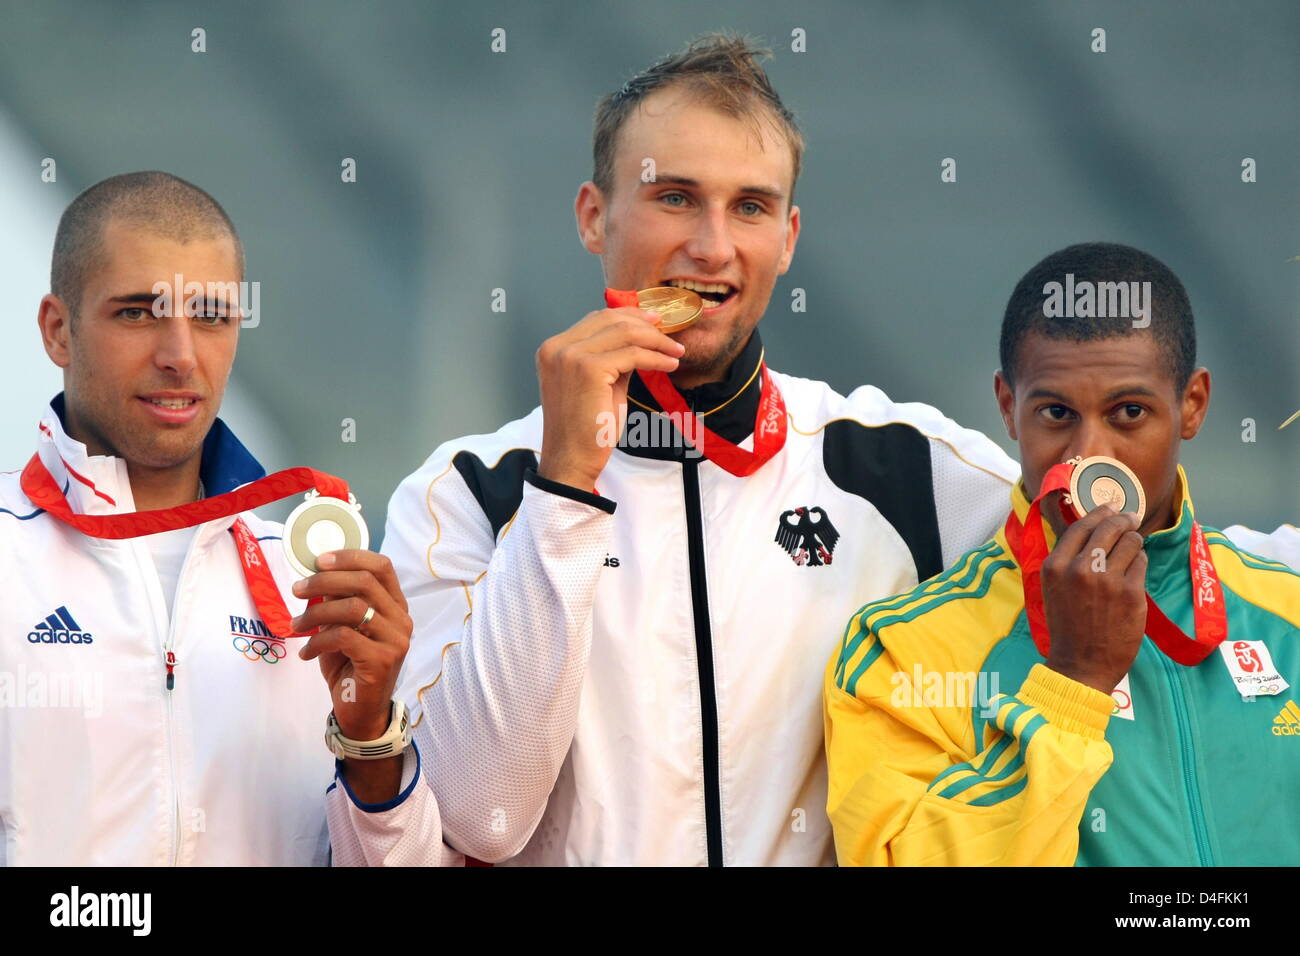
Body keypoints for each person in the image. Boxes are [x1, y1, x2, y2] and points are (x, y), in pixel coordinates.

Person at [369, 33, 1018, 866]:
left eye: (749, 207)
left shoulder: (906, 470)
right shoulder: (468, 491)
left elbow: (1142, 565)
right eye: (674, 197)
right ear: (593, 216)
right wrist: (564, 491)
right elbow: (479, 814)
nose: (712, 247)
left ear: (787, 239)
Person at [0, 171, 446, 865]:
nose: (180, 356)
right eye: (139, 312)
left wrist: (370, 737)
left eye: (209, 315)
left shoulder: (319, 583)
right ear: (59, 331)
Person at [824, 242, 1300, 866]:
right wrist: (1073, 684)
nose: (1088, 454)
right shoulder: (903, 650)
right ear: (1007, 408)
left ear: (1192, 404)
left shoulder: (1285, 602)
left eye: (1130, 412)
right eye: (1056, 413)